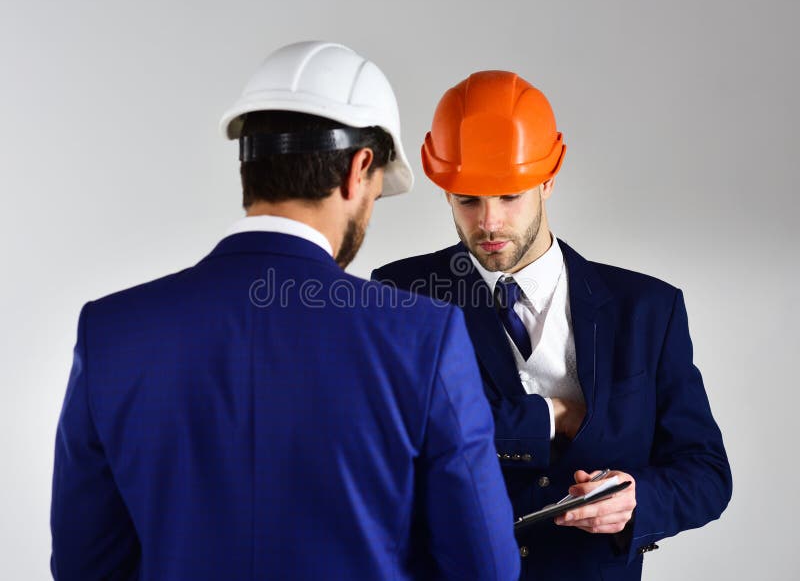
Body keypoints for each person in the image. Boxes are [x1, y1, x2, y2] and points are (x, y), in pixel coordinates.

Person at [50, 43, 520, 581]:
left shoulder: (112, 333)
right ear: (359, 168)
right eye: (374, 192)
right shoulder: (423, 337)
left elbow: (83, 567)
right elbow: (485, 570)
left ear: (250, 164)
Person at [372, 70, 732, 580]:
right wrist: (552, 416)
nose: (489, 223)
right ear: (444, 189)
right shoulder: (400, 294)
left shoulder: (649, 309)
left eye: (510, 196)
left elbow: (707, 473)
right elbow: (394, 438)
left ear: (549, 178)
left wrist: (637, 501)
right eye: (468, 200)